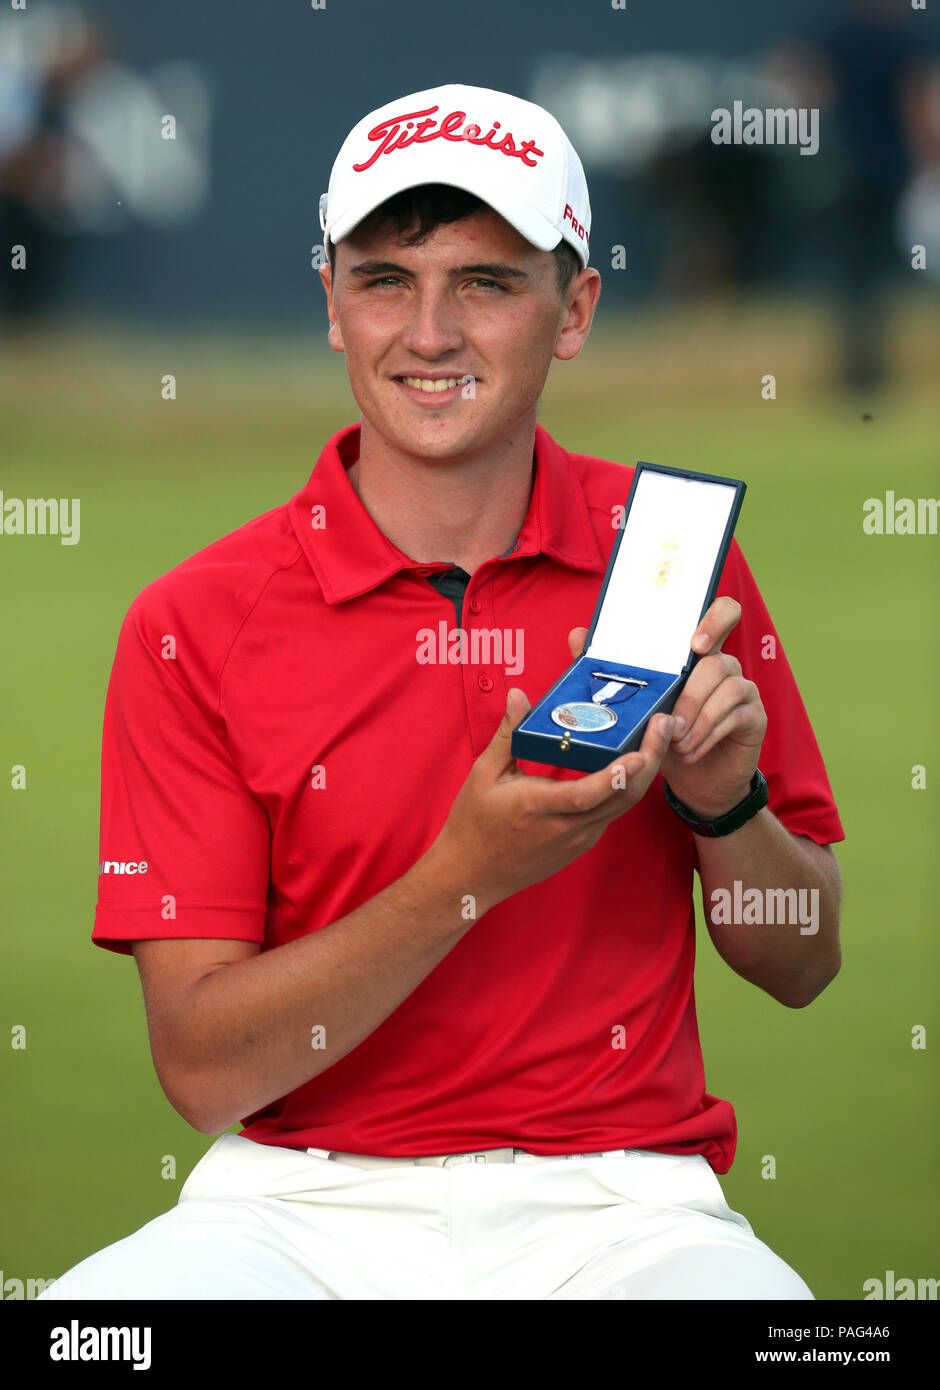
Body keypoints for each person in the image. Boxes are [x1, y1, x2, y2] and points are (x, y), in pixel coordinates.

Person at [40, 83, 844, 1302]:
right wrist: (468, 871)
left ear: (572, 309)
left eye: (485, 281)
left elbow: (805, 960)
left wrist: (726, 807)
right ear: (330, 304)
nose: (429, 331)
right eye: (383, 279)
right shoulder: (193, 621)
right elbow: (207, 1073)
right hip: (296, 1201)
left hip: (622, 1202)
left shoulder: (670, 557)